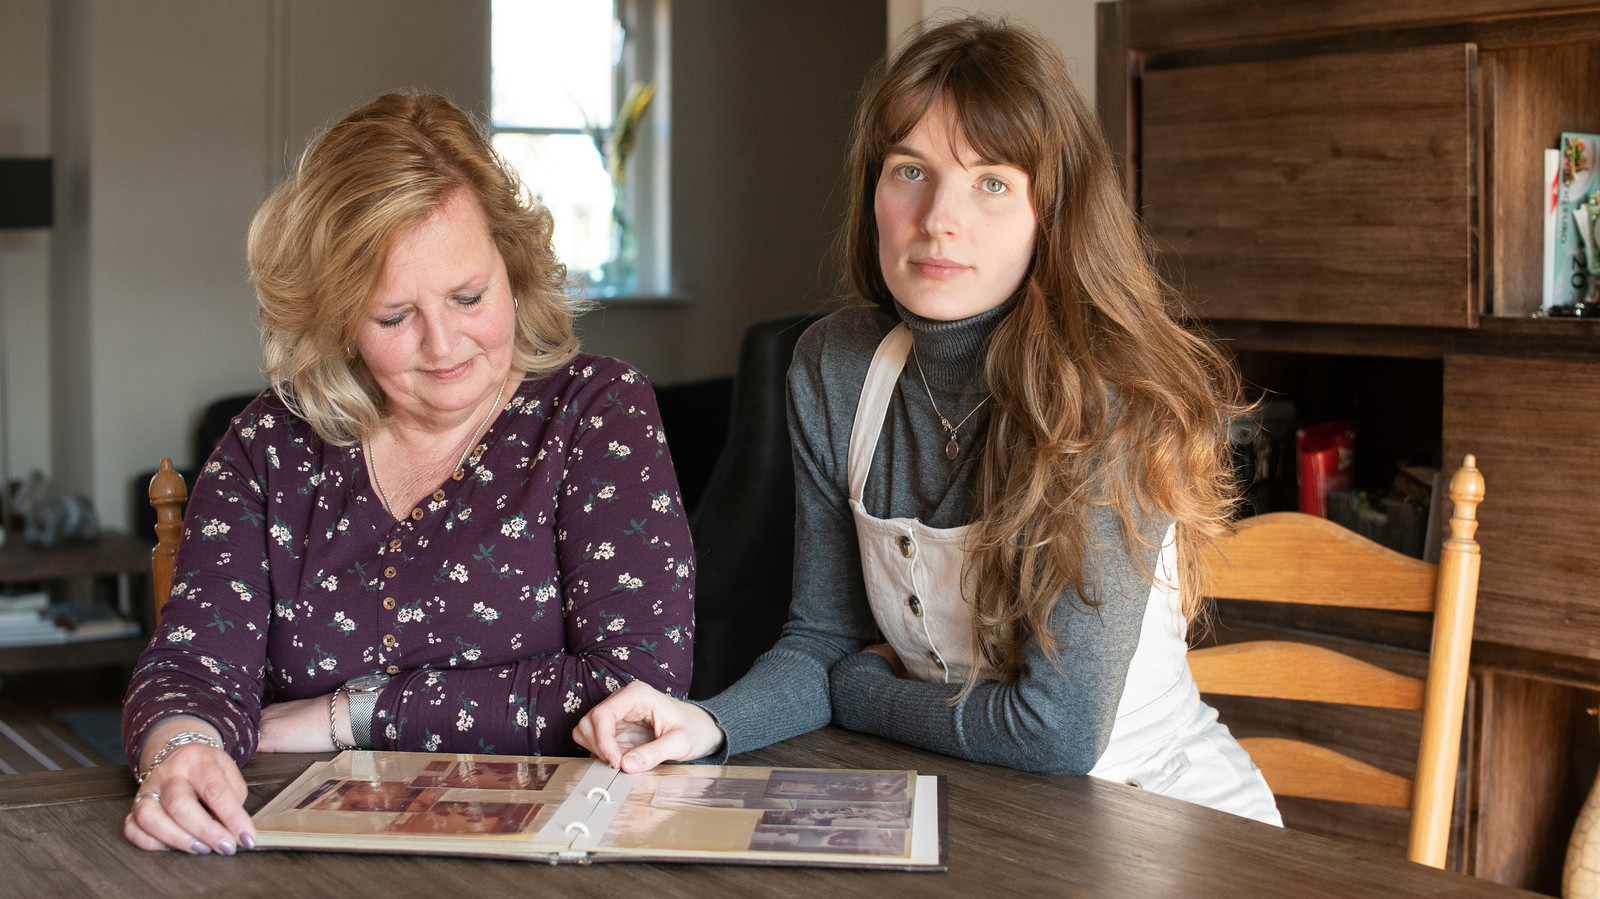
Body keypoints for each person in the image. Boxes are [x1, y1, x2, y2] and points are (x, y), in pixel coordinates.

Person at [574, 17, 1279, 825]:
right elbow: (819, 639)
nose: (939, 216)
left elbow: (1058, 732)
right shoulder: (833, 367)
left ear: (1052, 212)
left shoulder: (1108, 397)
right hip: (973, 802)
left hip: (1158, 815)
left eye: (991, 182)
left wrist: (863, 690)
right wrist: (709, 721)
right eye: (910, 169)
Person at [122, 91, 696, 854]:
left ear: (512, 268)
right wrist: (181, 749)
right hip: (301, 855)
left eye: (469, 296)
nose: (444, 343)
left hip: (554, 854)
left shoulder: (595, 412)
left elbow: (635, 690)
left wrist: (347, 714)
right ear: (335, 320)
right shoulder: (270, 445)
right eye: (394, 316)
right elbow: (192, 665)